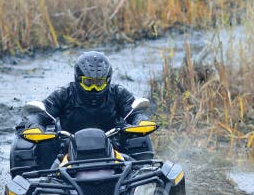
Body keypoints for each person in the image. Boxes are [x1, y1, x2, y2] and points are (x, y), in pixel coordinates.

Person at [11, 51, 156, 175]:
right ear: (78, 78)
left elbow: (134, 112)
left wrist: (140, 121)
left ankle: (141, 174)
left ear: (108, 81)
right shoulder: (64, 94)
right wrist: (35, 127)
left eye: (99, 83)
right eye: (88, 83)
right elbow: (40, 115)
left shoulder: (117, 93)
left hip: (112, 146)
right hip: (67, 150)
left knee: (141, 159)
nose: (94, 89)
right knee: (35, 152)